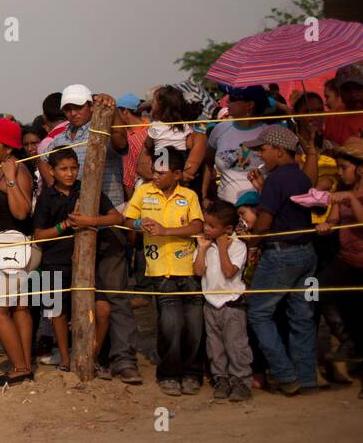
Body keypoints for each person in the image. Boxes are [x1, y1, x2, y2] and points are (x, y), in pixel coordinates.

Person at [31, 147, 124, 378]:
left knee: (102, 310)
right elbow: (39, 235)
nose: (70, 173)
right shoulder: (46, 198)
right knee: (56, 310)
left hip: (87, 262)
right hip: (55, 261)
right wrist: (66, 225)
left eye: (74, 168)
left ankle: (90, 356)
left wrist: (89, 220)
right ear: (52, 171)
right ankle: (65, 357)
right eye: (63, 169)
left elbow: (117, 217)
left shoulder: (87, 190)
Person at [123, 147, 205, 396]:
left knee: (194, 323)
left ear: (177, 174)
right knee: (170, 323)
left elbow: (198, 225)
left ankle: (192, 373)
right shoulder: (143, 192)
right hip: (159, 269)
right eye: (154, 170)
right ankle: (168, 374)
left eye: (161, 171)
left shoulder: (189, 196)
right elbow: (127, 220)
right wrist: (139, 224)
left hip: (188, 268)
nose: (155, 175)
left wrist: (165, 231)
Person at [244, 124, 318, 395]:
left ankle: (286, 375)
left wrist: (251, 242)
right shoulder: (301, 177)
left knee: (259, 312)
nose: (260, 155)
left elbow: (264, 224)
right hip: (307, 254)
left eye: (263, 149)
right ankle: (307, 378)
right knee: (303, 317)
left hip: (281, 255)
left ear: (278, 150)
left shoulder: (276, 179)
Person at [0, 118, 37, 383]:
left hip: (15, 248)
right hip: (4, 248)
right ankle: (24, 365)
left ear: (9, 148)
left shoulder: (17, 171)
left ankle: (20, 366)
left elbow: (22, 212)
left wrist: (11, 180)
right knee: (19, 308)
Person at [314, 136, 363, 398]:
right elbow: (332, 222)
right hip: (346, 259)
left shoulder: (352, 193)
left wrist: (349, 198)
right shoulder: (340, 191)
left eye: (344, 167)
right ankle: (345, 339)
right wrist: (326, 226)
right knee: (318, 288)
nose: (340, 172)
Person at [194, 200, 252, 401]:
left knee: (236, 345)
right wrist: (202, 249)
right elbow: (199, 270)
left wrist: (221, 248)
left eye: (212, 226)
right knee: (215, 346)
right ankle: (221, 379)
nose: (206, 229)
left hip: (231, 305)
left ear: (227, 228)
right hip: (211, 304)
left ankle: (241, 381)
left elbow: (229, 272)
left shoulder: (237, 247)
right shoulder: (205, 244)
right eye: (206, 224)